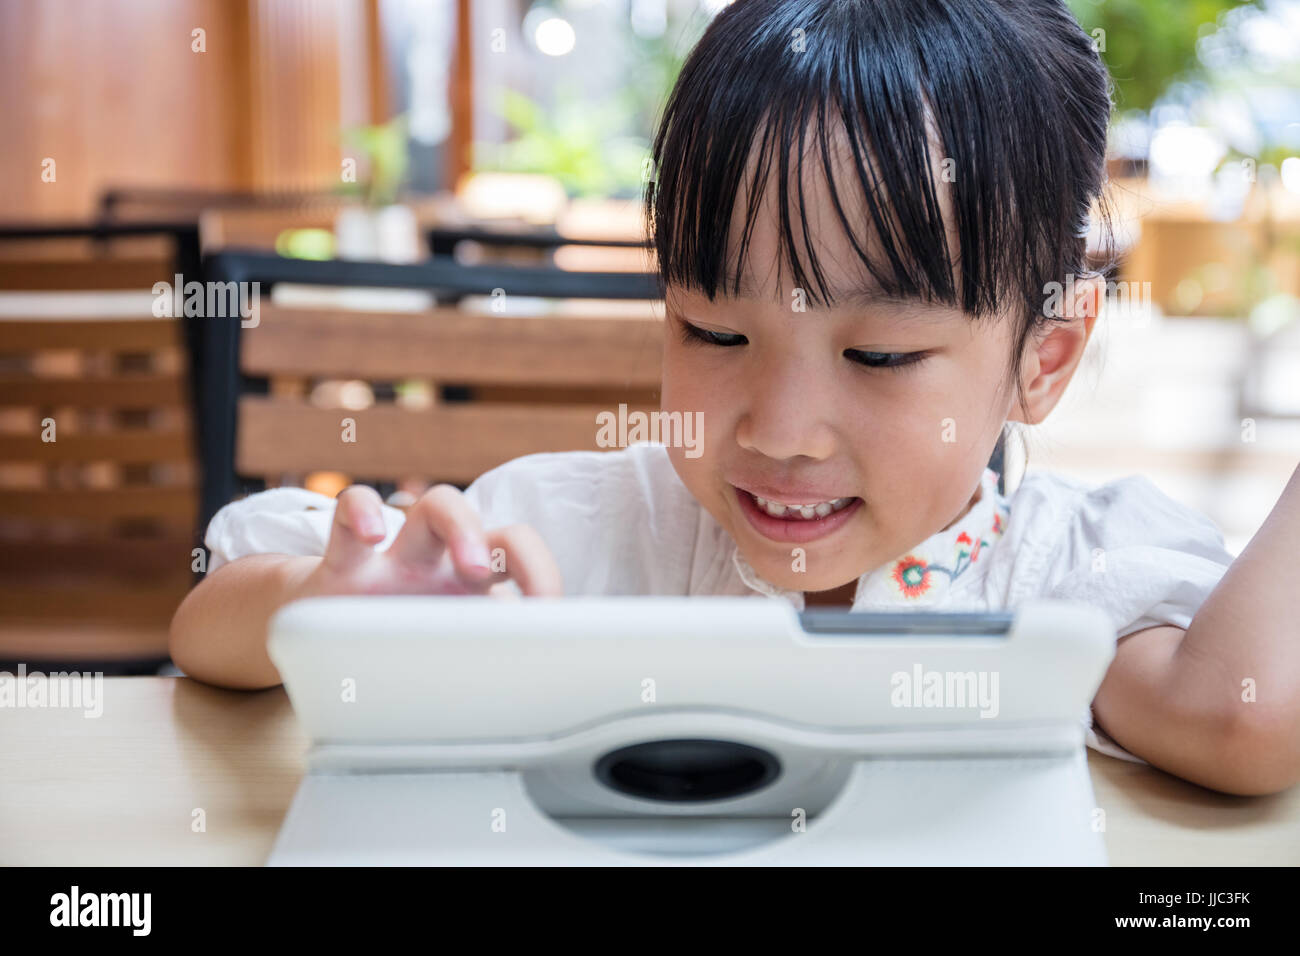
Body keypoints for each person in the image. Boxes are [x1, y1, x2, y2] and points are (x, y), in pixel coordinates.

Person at [170, 0, 1300, 796]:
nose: (777, 431)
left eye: (880, 356)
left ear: (1041, 360)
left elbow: (1241, 718)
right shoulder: (571, 532)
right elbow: (212, 620)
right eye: (715, 331)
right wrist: (327, 601)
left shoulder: (1060, 577)